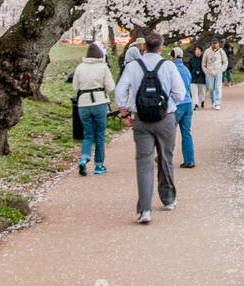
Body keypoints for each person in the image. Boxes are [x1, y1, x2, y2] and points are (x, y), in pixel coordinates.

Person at [115, 32, 187, 224]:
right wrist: (166, 105)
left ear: (143, 47)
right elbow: (180, 93)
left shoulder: (132, 66)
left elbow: (120, 93)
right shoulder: (168, 66)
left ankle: (145, 209)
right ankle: (168, 198)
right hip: (166, 119)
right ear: (161, 48)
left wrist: (125, 114)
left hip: (141, 120)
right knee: (166, 158)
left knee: (144, 163)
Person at [72, 43, 116, 176]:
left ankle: (84, 158)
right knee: (100, 135)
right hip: (99, 102)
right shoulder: (103, 67)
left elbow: (75, 86)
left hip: (83, 104)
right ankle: (99, 165)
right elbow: (110, 87)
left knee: (88, 134)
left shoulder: (80, 67)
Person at [170, 47, 196, 168]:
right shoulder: (186, 70)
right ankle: (189, 160)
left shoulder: (171, 69)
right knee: (186, 133)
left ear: (172, 57)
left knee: (169, 132)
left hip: (176, 105)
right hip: (188, 103)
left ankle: (164, 157)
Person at [201, 39, 228, 110]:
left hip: (218, 72)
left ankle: (217, 103)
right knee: (211, 88)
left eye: (216, 44)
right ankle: (213, 101)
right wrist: (206, 71)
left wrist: (221, 70)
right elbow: (203, 63)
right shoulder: (207, 51)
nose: (215, 45)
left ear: (218, 44)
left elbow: (225, 62)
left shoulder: (221, 51)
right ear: (211, 44)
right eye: (214, 43)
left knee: (218, 88)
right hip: (209, 72)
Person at [186, 45, 207, 109]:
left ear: (201, 51)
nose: (196, 51)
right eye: (196, 50)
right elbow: (189, 67)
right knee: (194, 91)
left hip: (202, 77)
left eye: (198, 50)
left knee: (202, 91)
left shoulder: (204, 59)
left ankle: (202, 101)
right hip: (194, 77)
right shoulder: (192, 59)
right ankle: (196, 104)